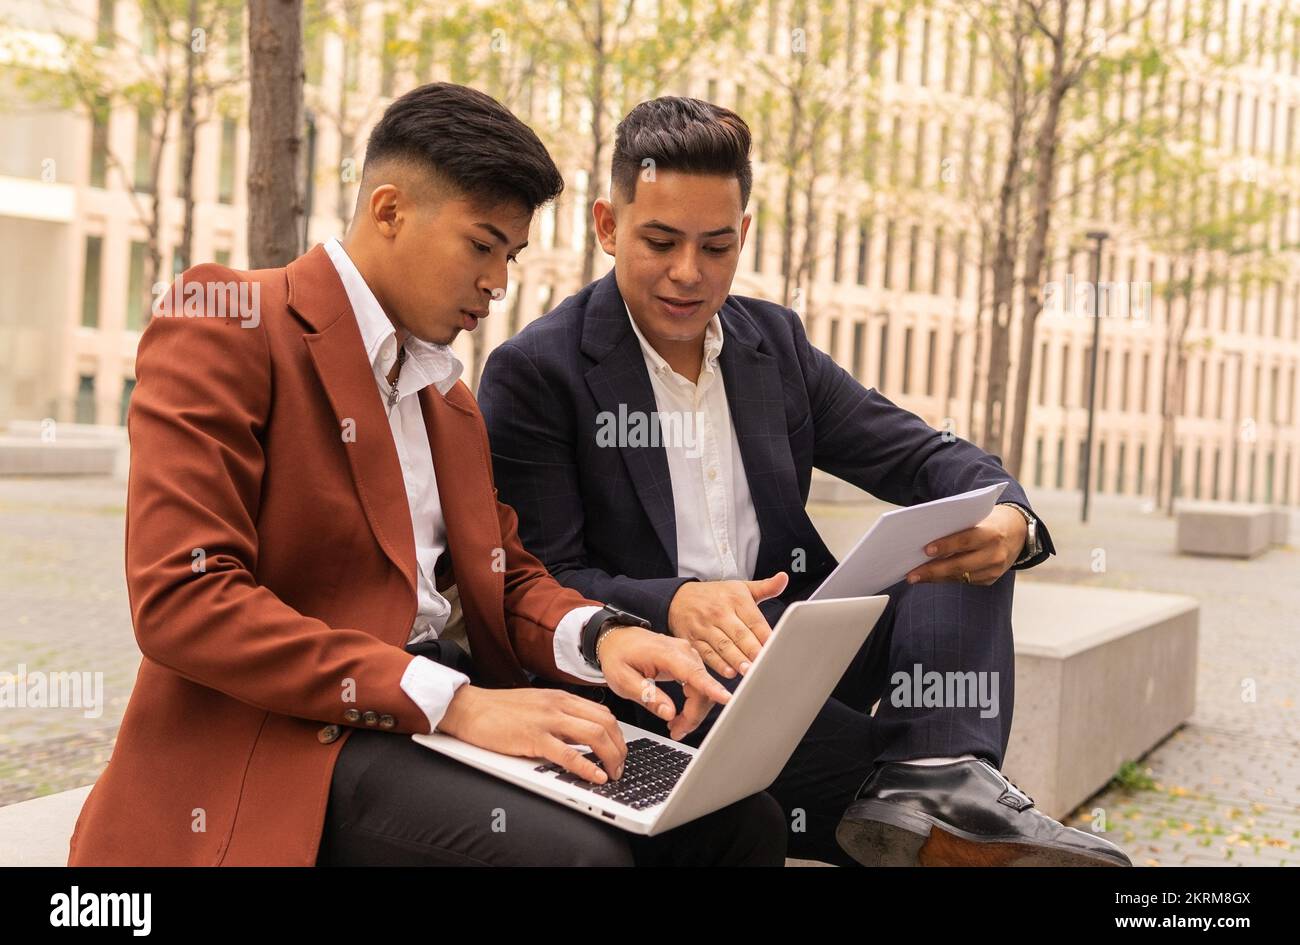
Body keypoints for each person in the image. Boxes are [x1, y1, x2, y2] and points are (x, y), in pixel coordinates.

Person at [67, 84, 785, 867]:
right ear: (388, 211)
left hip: (438, 719)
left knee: (735, 820)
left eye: (509, 256)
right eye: (482, 246)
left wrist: (605, 636)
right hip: (290, 744)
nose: (499, 283)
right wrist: (454, 705)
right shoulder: (231, 324)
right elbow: (185, 600)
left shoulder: (447, 398)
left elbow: (504, 580)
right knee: (580, 860)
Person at [477, 96, 1130, 867]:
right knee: (921, 834)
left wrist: (1015, 526)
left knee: (964, 537)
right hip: (663, 683)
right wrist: (674, 602)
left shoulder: (774, 345)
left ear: (744, 235)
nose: (689, 274)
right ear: (607, 226)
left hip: (798, 650)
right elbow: (544, 581)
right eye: (660, 241)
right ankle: (938, 814)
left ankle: (941, 777)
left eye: (716, 247)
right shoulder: (537, 372)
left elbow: (931, 459)